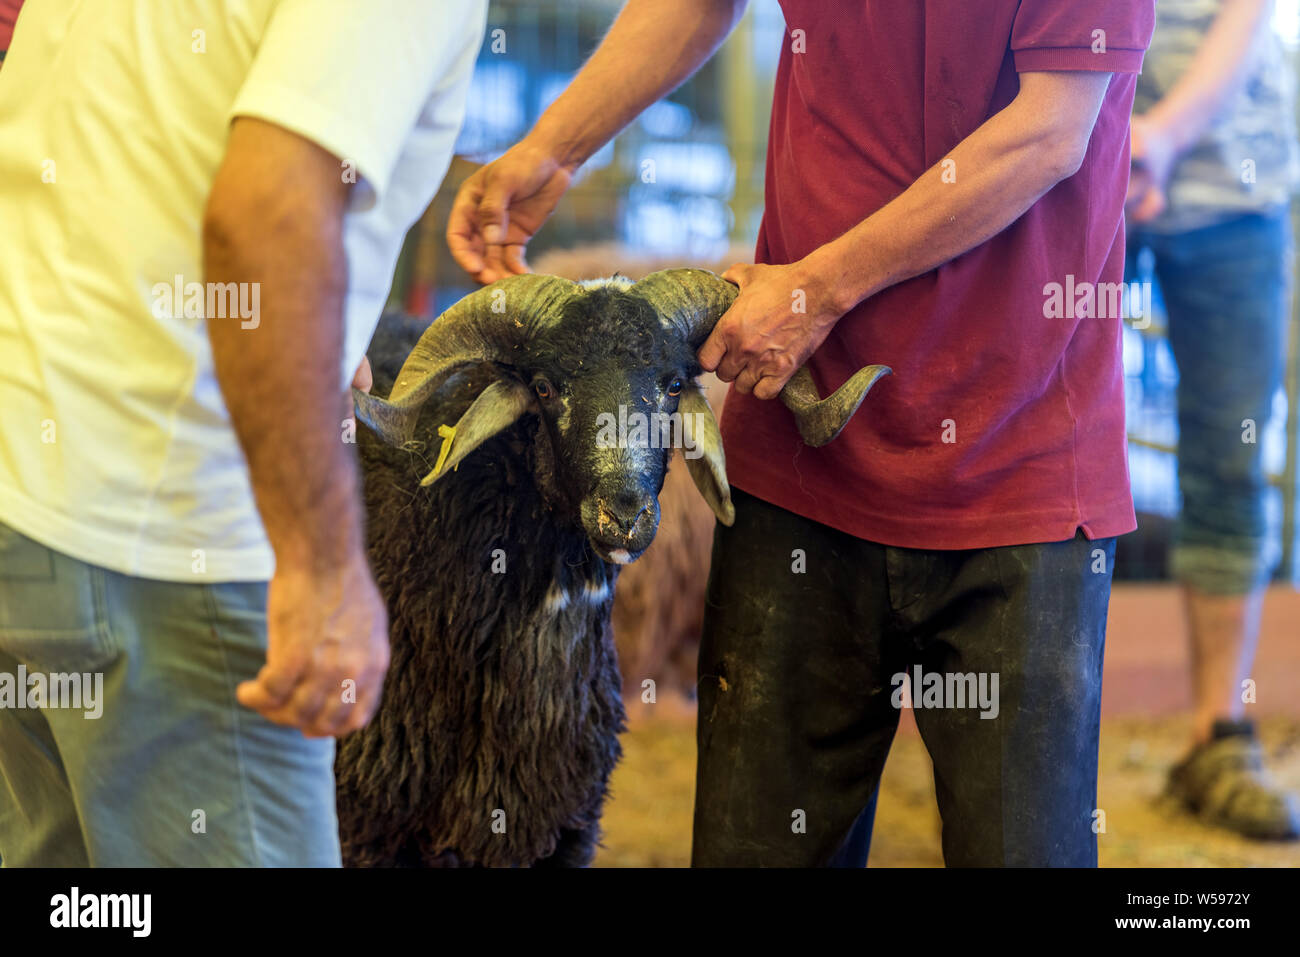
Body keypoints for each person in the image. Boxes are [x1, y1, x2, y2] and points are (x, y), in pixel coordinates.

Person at [449, 0, 1155, 867]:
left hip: (1018, 466)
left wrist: (816, 291)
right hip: (800, 451)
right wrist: (550, 148)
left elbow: (1048, 132)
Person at [0, 0, 485, 866]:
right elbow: (268, 215)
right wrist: (322, 565)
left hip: (28, 482)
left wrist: (310, 345)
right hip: (164, 524)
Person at [1126, 0, 1300, 840]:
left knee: (1230, 456)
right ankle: (1023, 730)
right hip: (1076, 162)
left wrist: (1159, 134)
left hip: (1238, 181)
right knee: (1029, 437)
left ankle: (1215, 733)